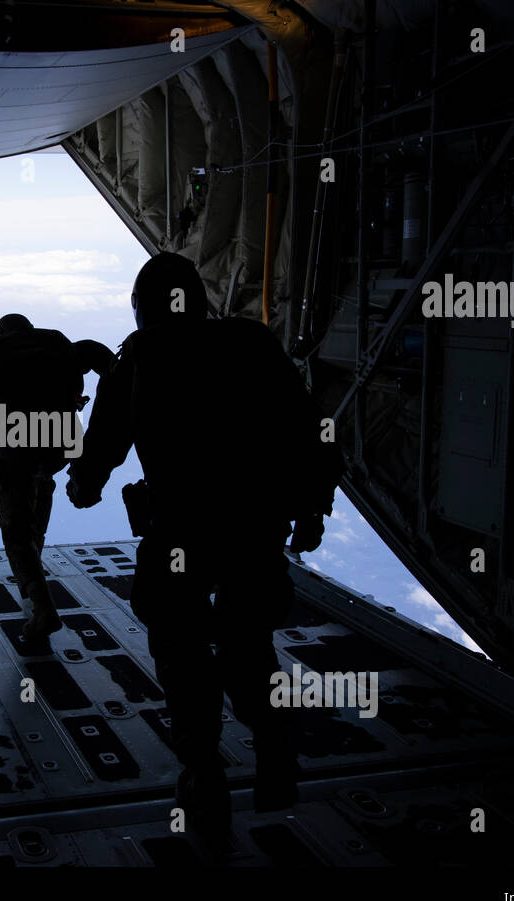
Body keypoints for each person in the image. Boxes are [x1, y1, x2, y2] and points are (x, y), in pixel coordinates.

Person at [66, 252, 343, 851]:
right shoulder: (250, 342)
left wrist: (84, 485)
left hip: (180, 536)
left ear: (142, 309)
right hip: (253, 527)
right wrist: (314, 506)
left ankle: (204, 775)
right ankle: (273, 749)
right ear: (199, 299)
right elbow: (308, 426)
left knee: (180, 644)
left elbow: (99, 454)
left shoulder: (138, 358)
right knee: (249, 640)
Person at [0, 314, 113, 643]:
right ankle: (37, 543)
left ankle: (42, 607)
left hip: (19, 447)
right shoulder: (60, 345)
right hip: (61, 443)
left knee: (16, 526)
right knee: (42, 481)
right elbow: (103, 358)